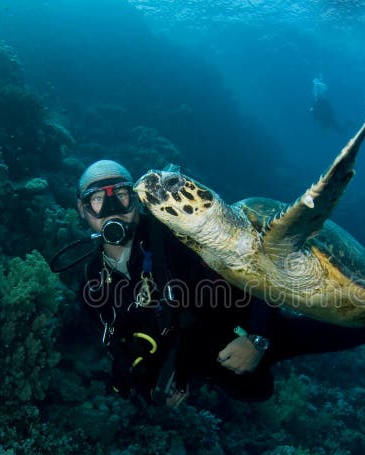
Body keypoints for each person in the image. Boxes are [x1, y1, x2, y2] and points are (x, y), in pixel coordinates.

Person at [75, 160, 274, 408]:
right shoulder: (92, 282)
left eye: (122, 195)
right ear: (82, 209)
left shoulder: (177, 234)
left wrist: (258, 336)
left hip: (240, 331)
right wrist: (151, 386)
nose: (112, 209)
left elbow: (256, 262)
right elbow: (119, 348)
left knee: (257, 385)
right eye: (97, 200)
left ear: (136, 198)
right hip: (190, 361)